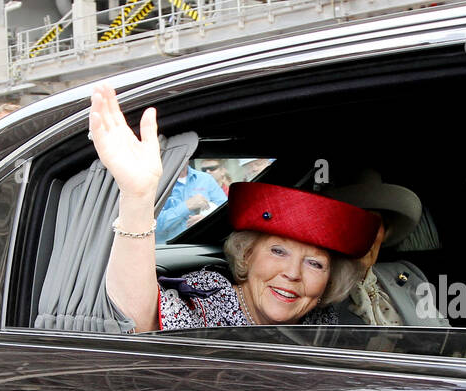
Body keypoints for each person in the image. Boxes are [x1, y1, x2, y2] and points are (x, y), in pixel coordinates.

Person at [88, 83, 377, 334]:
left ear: (329, 281)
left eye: (315, 263)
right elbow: (139, 319)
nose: (292, 273)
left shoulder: (322, 321)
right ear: (247, 255)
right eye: (278, 251)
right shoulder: (213, 301)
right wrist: (137, 198)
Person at [325, 171, 446, 327]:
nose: (365, 234)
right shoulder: (312, 286)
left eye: (374, 223)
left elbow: (446, 332)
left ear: (385, 232)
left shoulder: (406, 273)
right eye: (354, 221)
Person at [155, 159, 228, 241]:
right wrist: (186, 206)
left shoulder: (206, 179)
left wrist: (206, 220)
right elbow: (154, 226)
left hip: (203, 243)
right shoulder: (157, 183)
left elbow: (226, 214)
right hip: (169, 246)